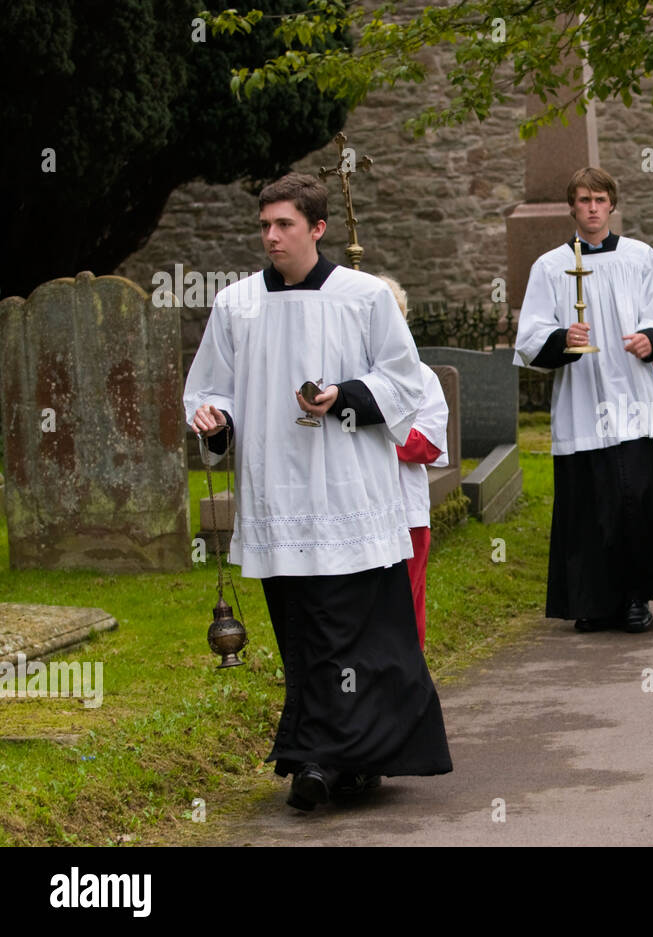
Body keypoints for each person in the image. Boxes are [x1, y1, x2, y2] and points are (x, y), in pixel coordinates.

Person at [185, 172, 452, 811]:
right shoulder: (237, 305)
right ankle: (326, 755)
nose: (271, 237)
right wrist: (214, 420)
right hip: (278, 493)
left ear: (318, 228)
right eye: (264, 225)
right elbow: (211, 386)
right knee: (301, 629)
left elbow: (402, 379)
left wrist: (345, 396)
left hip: (350, 490)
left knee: (351, 631)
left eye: (284, 225)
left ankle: (326, 757)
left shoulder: (363, 297)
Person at [513, 167, 653, 634]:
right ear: (572, 205)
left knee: (634, 500)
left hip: (631, 401)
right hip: (581, 403)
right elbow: (529, 338)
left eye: (600, 199)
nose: (591, 207)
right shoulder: (550, 266)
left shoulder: (640, 257)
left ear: (612, 205)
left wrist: (650, 339)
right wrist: (564, 337)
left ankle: (634, 599)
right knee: (587, 507)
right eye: (583, 199)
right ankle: (592, 600)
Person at [377, 273, 450, 651]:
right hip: (354, 512)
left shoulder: (421, 377)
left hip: (405, 512)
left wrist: (374, 436)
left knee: (406, 601)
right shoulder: (341, 379)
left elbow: (429, 444)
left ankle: (407, 685)